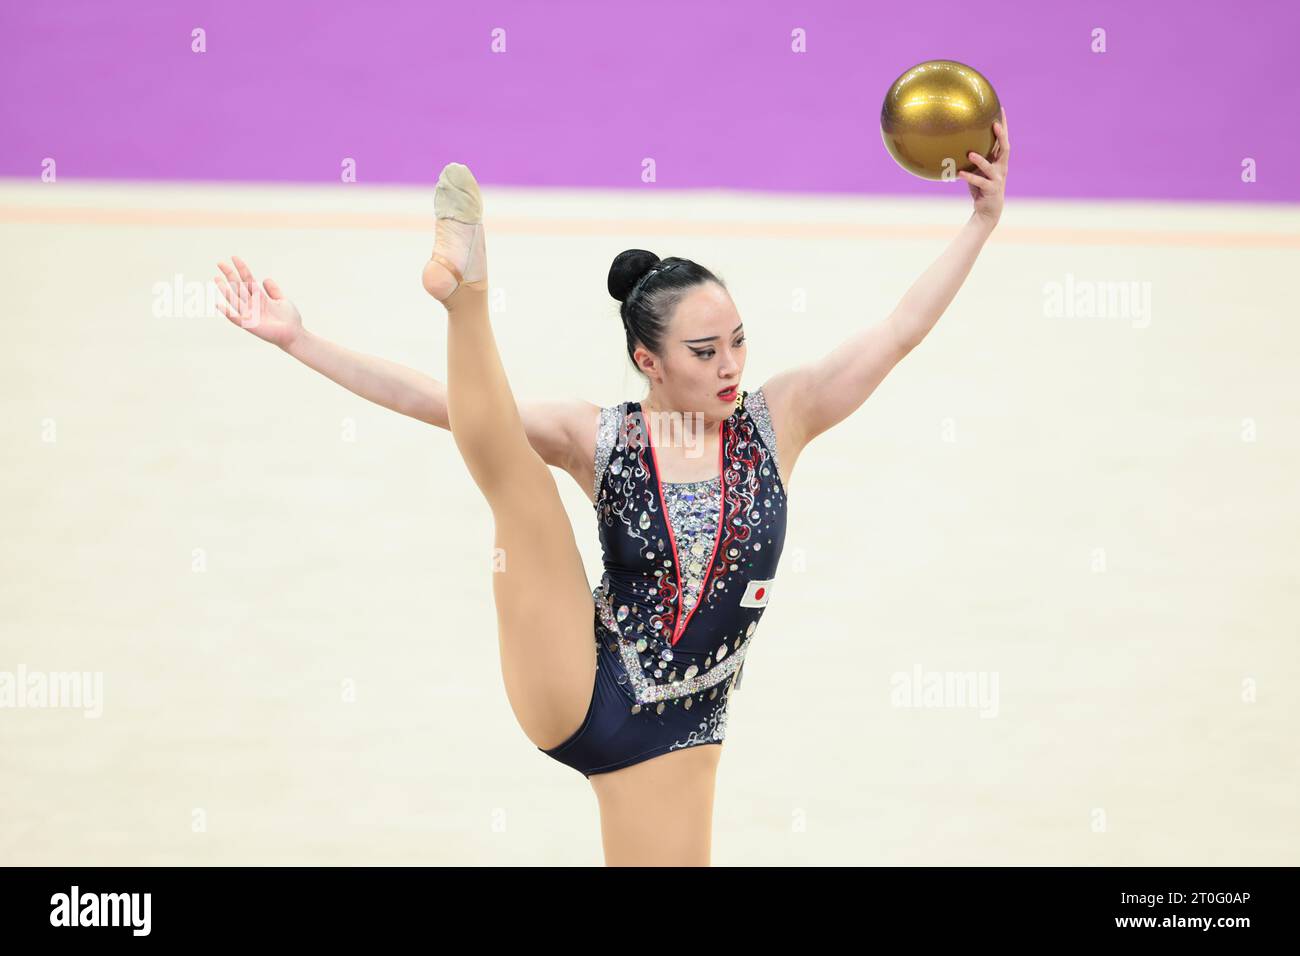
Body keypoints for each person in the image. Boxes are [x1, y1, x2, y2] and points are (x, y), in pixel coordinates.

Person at [212, 110, 1010, 866]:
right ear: (647, 361)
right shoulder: (605, 437)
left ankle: (469, 299)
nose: (730, 366)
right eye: (703, 352)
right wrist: (302, 341)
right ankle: (468, 295)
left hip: (680, 736)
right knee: (517, 479)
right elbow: (440, 405)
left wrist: (980, 224)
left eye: (737, 342)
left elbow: (899, 328)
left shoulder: (781, 421)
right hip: (576, 683)